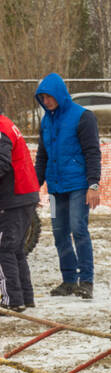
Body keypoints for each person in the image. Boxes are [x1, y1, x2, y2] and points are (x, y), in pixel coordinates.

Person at [33, 73, 101, 299]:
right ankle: (69, 280)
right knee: (59, 233)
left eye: (49, 96)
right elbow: (42, 156)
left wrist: (93, 184)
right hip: (54, 188)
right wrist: (34, 185)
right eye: (42, 97)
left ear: (59, 94)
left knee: (78, 230)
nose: (46, 101)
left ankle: (86, 281)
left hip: (78, 186)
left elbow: (92, 152)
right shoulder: (46, 121)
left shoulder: (83, 116)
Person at [0, 109, 40, 312]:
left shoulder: (1, 128)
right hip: (24, 194)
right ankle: (25, 297)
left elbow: (2, 161)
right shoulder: (6, 123)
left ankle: (11, 300)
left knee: (4, 249)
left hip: (14, 197)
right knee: (15, 250)